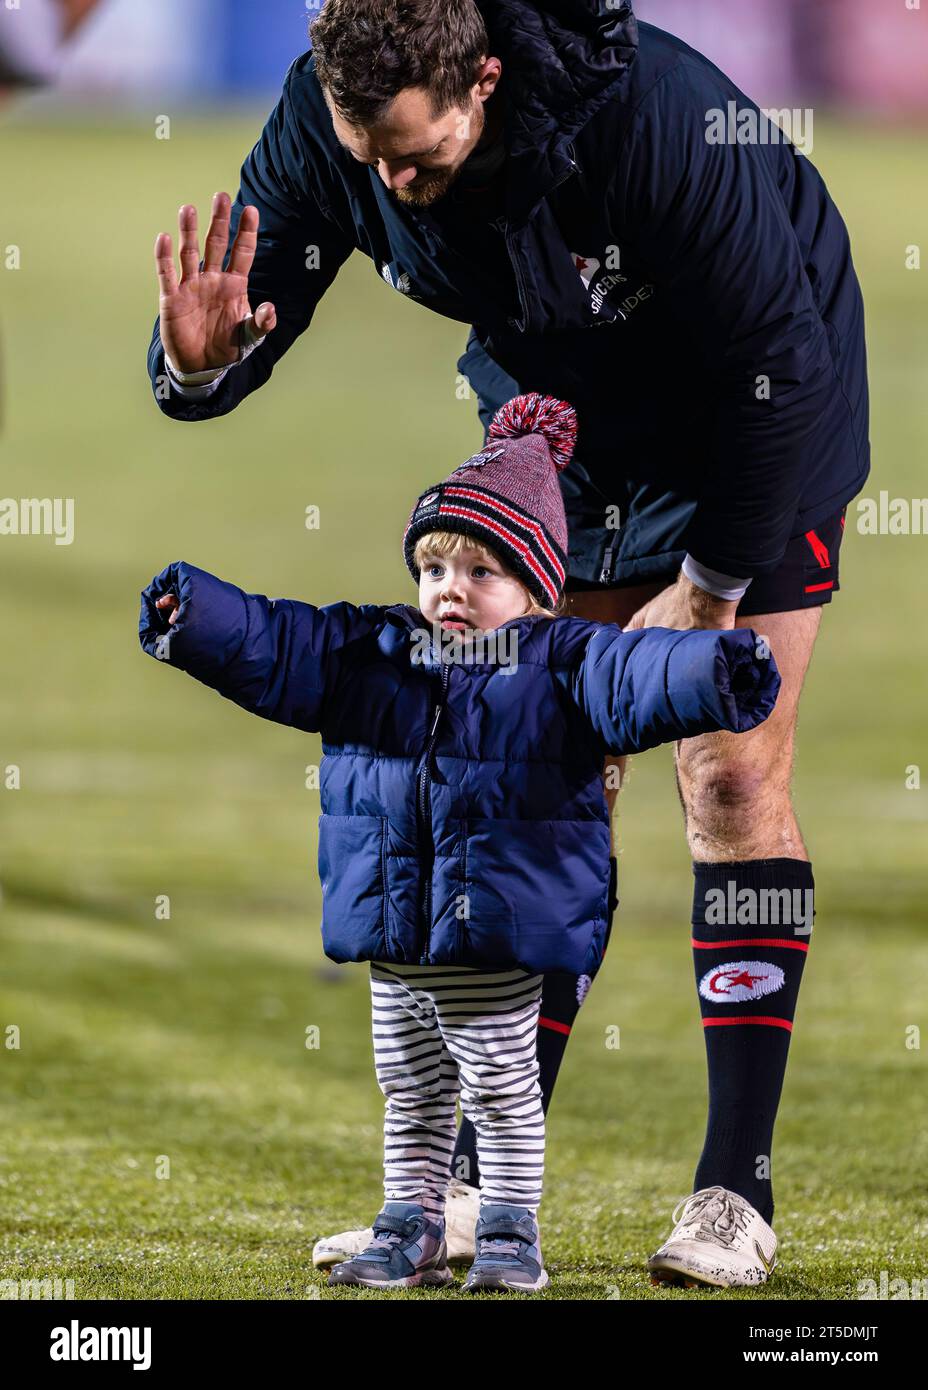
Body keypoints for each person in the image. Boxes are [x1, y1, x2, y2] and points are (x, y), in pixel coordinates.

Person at [147, 0, 869, 1285]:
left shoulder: (650, 119)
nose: (392, 188)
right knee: (527, 761)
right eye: (369, 158)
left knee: (729, 771)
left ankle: (731, 1191)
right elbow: (254, 308)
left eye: (418, 160)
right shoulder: (343, 126)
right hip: (561, 425)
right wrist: (199, 367)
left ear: (483, 84)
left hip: (758, 405)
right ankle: (488, 1179)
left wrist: (707, 590)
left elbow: (782, 364)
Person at [138, 393, 781, 1292]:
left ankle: (512, 1229)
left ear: (534, 590)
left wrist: (717, 668)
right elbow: (278, 643)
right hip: (398, 943)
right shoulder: (374, 654)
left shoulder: (562, 662)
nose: (451, 588)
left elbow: (642, 672)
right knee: (408, 1091)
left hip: (494, 940)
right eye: (436, 565)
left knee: (501, 1089)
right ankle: (413, 1222)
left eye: (482, 571)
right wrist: (194, 615)